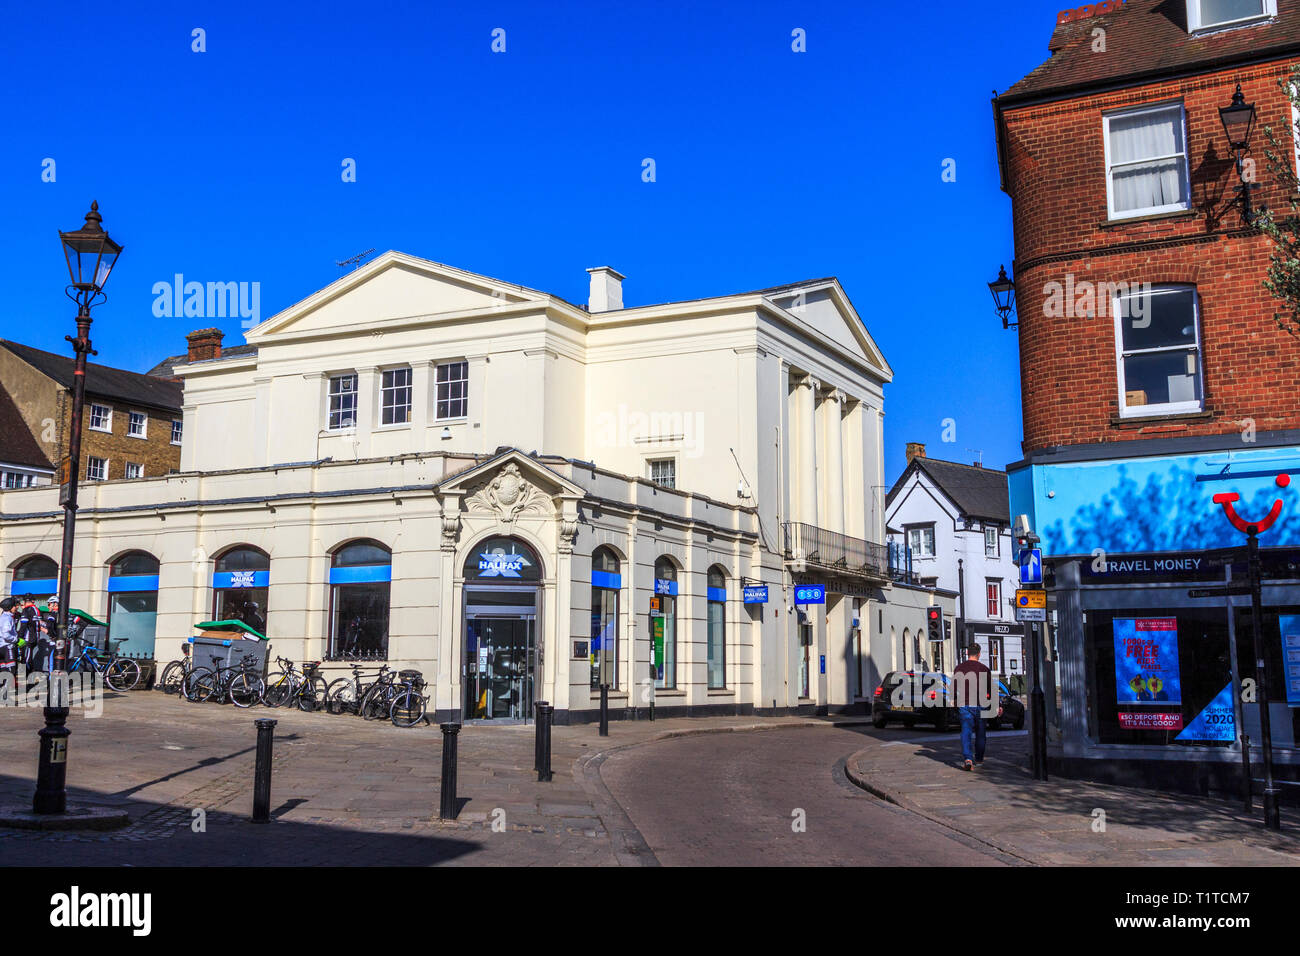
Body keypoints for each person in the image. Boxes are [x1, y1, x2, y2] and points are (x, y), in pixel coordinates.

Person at [952, 643, 1001, 771]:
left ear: (967, 653)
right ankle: (979, 759)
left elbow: (954, 686)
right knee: (980, 733)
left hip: (964, 704)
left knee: (966, 732)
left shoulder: (959, 668)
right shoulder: (984, 668)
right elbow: (992, 689)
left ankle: (968, 758)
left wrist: (953, 699)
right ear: (979, 654)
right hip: (981, 704)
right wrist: (997, 705)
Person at [0, 598, 18, 671]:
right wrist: (16, 639)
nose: (16, 608)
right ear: (10, 607)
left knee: (3, 670)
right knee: (11, 669)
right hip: (7, 647)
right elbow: (6, 635)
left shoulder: (2, 617)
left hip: (2, 647)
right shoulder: (8, 618)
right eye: (14, 606)